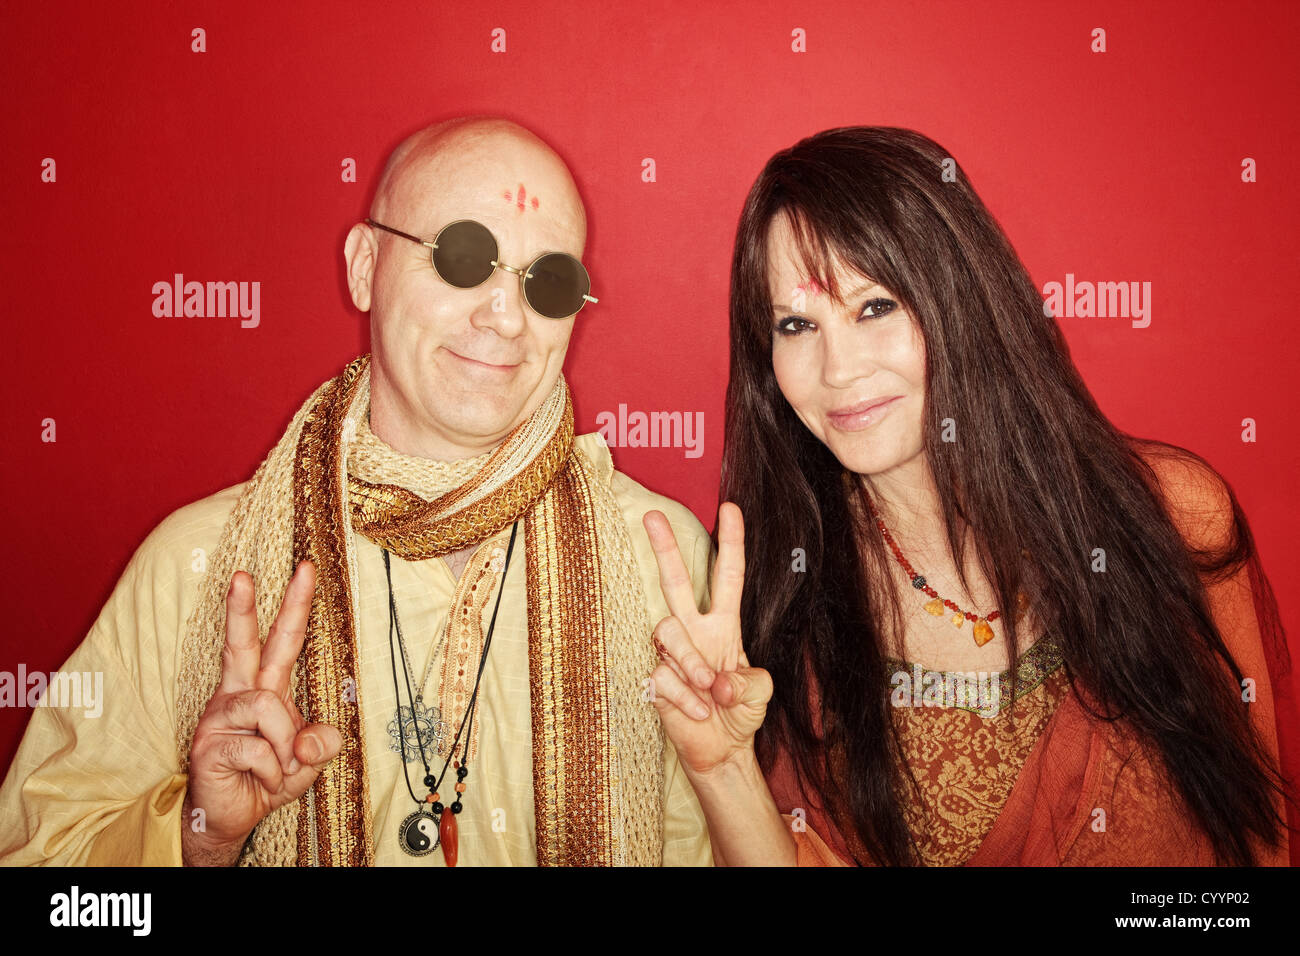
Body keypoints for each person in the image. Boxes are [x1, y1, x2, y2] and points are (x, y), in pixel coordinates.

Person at [0, 116, 714, 867]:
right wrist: (198, 835)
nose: (505, 317)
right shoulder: (199, 566)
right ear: (364, 265)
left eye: (550, 280)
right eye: (465, 258)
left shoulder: (657, 559)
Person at [641, 126, 1293, 866]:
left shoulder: (1174, 517)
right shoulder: (780, 591)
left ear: (961, 298)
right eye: (796, 325)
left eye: (875, 307)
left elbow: (1257, 842)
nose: (839, 369)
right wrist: (721, 766)